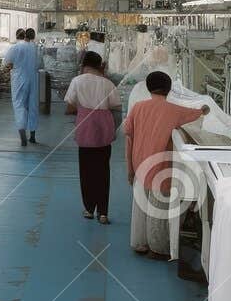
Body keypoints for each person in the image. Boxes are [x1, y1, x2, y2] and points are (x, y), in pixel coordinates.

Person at [122, 71, 209, 262]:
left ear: (148, 88)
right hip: (160, 167)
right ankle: (158, 249)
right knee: (157, 209)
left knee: (140, 206)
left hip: (139, 163)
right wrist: (203, 110)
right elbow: (194, 114)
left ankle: (140, 243)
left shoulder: (138, 107)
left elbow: (128, 134)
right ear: (169, 89)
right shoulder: (173, 110)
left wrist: (129, 168)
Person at [64, 51, 121, 223]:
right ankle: (103, 212)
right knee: (103, 170)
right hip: (104, 127)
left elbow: (70, 107)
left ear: (83, 65)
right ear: (99, 65)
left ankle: (89, 209)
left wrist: (82, 108)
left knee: (86, 170)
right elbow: (116, 107)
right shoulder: (108, 83)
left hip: (85, 127)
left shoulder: (77, 81)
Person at [4, 27, 43, 145]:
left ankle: (22, 135)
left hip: (19, 79)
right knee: (32, 105)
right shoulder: (35, 48)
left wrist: (14, 67)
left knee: (19, 104)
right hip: (33, 79)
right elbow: (40, 64)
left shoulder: (15, 47)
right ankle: (32, 136)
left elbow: (8, 63)